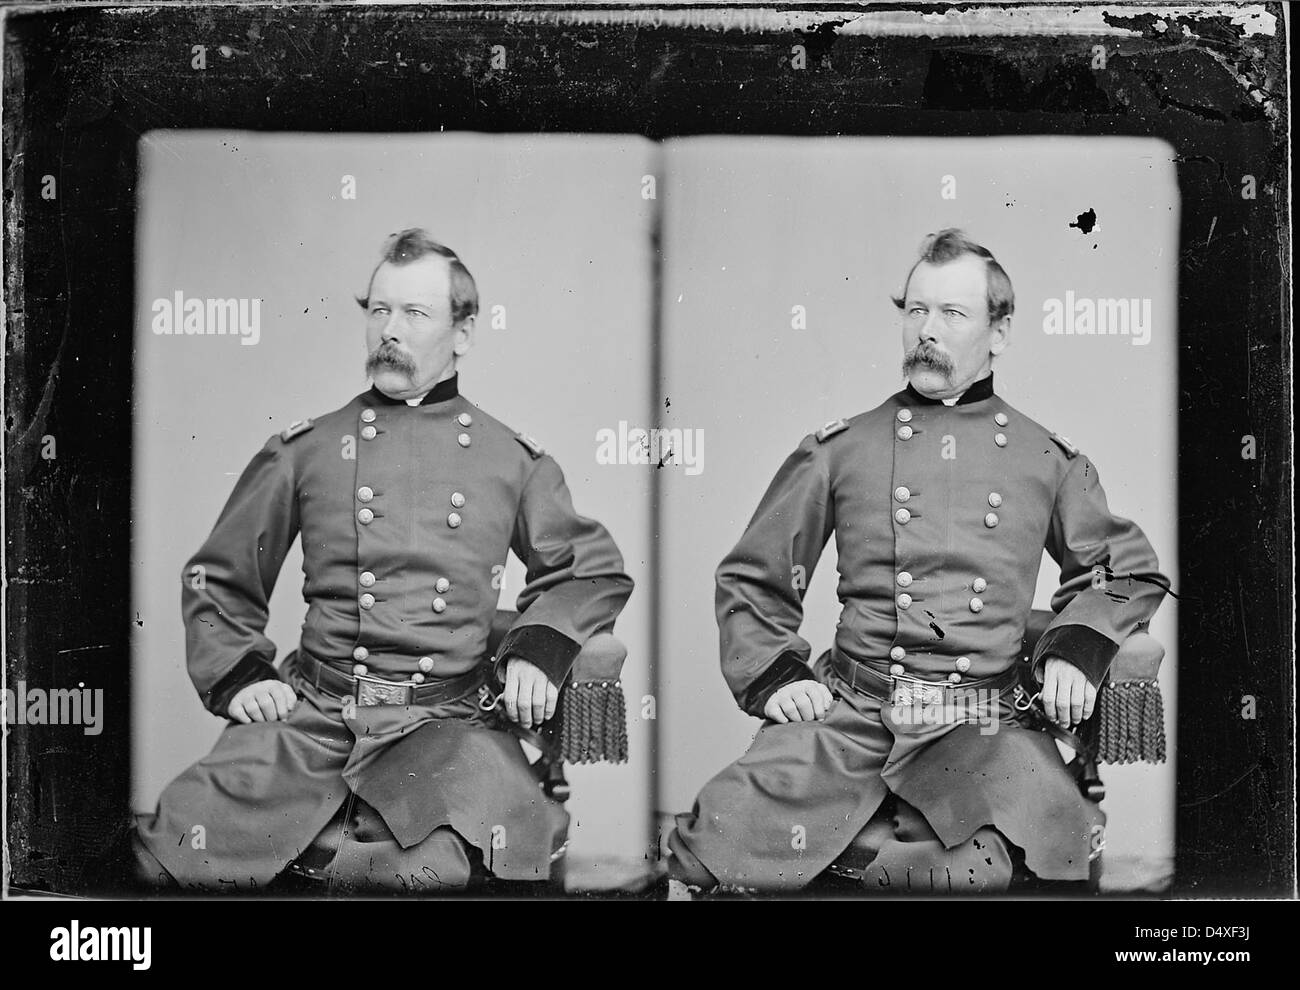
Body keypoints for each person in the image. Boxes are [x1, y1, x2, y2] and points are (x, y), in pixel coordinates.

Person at [666, 228, 1168, 893]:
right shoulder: (840, 450)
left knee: (974, 868)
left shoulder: (1047, 459)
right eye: (916, 311)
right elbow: (752, 579)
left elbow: (1126, 569)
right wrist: (777, 675)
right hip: (851, 719)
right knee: (710, 843)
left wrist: (1078, 646)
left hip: (986, 725)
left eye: (952, 314)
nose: (927, 330)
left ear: (1001, 331)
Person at [133, 228, 634, 892]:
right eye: (378, 310)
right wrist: (240, 673)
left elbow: (589, 567)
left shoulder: (512, 461)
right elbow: (217, 575)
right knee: (172, 847)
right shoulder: (305, 450)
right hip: (315, 718)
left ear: (464, 332)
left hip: (450, 724)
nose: (388, 330)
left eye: (414, 313)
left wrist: (537, 647)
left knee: (423, 871)